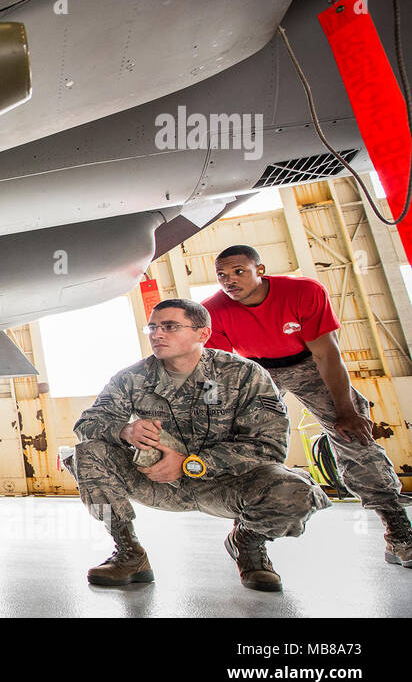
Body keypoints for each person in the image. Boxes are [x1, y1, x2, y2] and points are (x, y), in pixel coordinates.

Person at [68, 299, 330, 591]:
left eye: (170, 326)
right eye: (152, 327)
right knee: (88, 452)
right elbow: (87, 424)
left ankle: (248, 543)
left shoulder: (244, 375)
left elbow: (267, 447)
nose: (157, 334)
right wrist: (125, 431)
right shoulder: (132, 378)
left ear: (202, 334)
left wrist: (189, 464)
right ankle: (129, 553)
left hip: (225, 484)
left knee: (294, 491)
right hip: (158, 482)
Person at [204, 244, 411, 568]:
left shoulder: (302, 292)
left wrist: (346, 410)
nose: (229, 281)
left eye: (239, 271)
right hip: (257, 371)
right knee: (247, 448)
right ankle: (246, 536)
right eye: (222, 276)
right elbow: (220, 370)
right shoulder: (212, 311)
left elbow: (327, 354)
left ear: (260, 270)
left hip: (310, 363)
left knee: (355, 436)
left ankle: (398, 534)